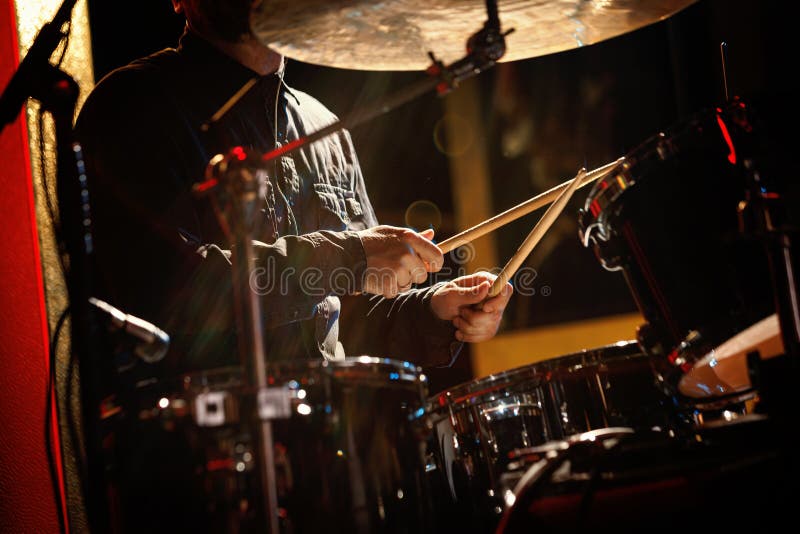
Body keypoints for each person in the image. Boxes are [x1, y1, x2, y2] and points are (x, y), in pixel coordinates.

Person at [74, 0, 513, 380]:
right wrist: (348, 256)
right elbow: (168, 290)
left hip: (325, 441)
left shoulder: (325, 126)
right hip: (205, 451)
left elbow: (349, 319)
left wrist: (436, 310)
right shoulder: (132, 104)